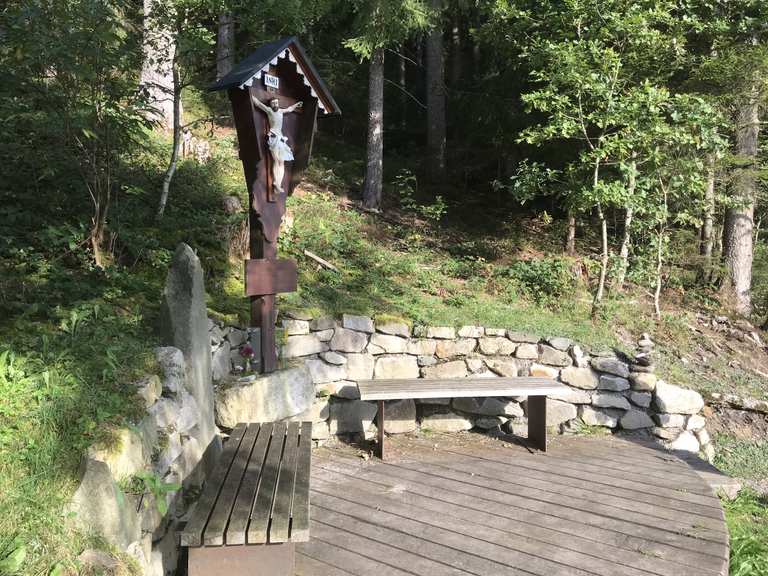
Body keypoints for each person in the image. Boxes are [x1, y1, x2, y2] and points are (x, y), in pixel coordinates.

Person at [251, 96, 303, 194]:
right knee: (277, 160)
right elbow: (258, 103)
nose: (275, 104)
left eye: (276, 103)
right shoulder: (269, 111)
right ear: (270, 104)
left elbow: (290, 109)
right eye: (273, 103)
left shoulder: (280, 111)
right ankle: (276, 183)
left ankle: (278, 183)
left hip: (281, 139)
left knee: (282, 162)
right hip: (274, 137)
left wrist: (297, 104)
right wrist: (249, 94)